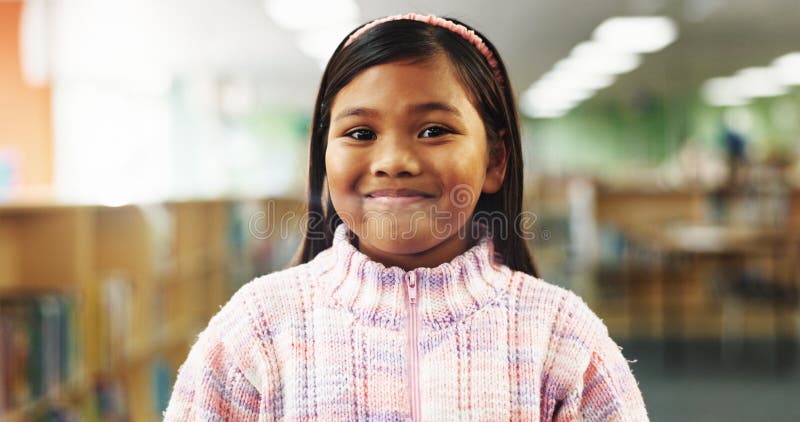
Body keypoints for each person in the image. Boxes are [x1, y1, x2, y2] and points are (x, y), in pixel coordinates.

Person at [164, 13, 648, 421]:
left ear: (495, 160)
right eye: (359, 133)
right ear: (323, 158)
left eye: (434, 129)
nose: (393, 159)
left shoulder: (560, 335)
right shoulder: (257, 329)